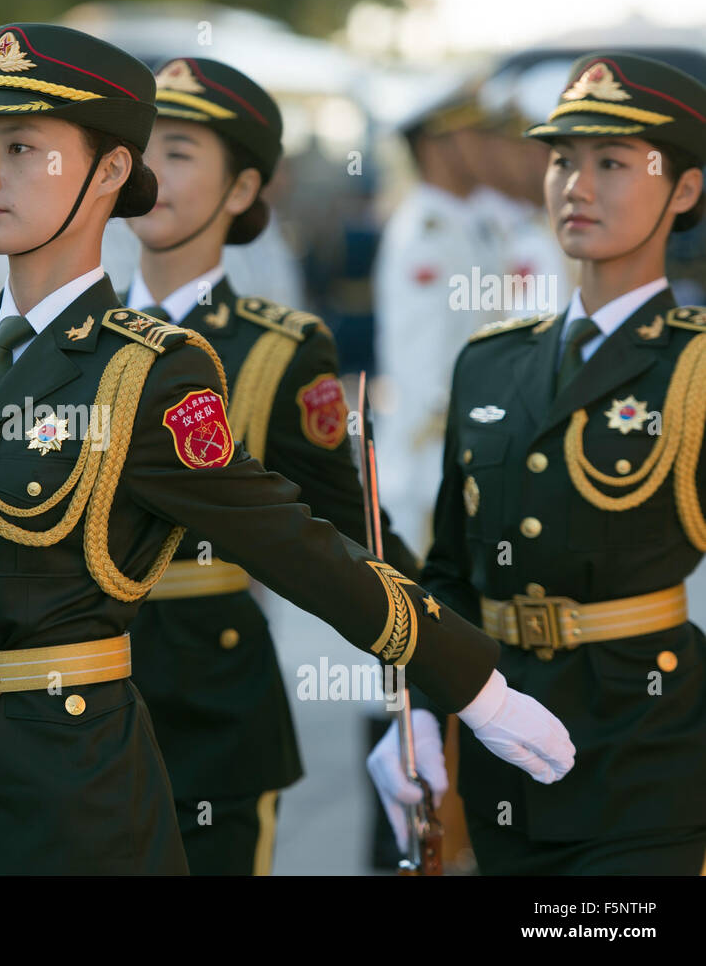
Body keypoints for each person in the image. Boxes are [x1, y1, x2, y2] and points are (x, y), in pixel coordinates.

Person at [0, 22, 573, 875]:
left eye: (21, 146)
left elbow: (301, 543)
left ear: (111, 171)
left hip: (73, 799)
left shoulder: (143, 370)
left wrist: (467, 687)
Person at [369, 52, 706, 874]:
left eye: (613, 164)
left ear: (686, 190)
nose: (575, 187)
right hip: (498, 753)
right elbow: (452, 568)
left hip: (646, 761)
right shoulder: (491, 361)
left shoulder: (695, 366)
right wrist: (416, 707)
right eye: (561, 160)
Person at [113, 55, 421, 874]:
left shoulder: (277, 348)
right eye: (143, 150)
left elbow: (355, 536)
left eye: (180, 153)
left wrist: (434, 689)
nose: (152, 173)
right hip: (75, 704)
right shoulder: (77, 334)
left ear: (243, 189)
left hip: (211, 705)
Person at [372, 83, 498, 555]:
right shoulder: (425, 232)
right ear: (433, 146)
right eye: (472, 134)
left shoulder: (470, 222)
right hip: (435, 469)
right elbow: (422, 364)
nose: (487, 146)